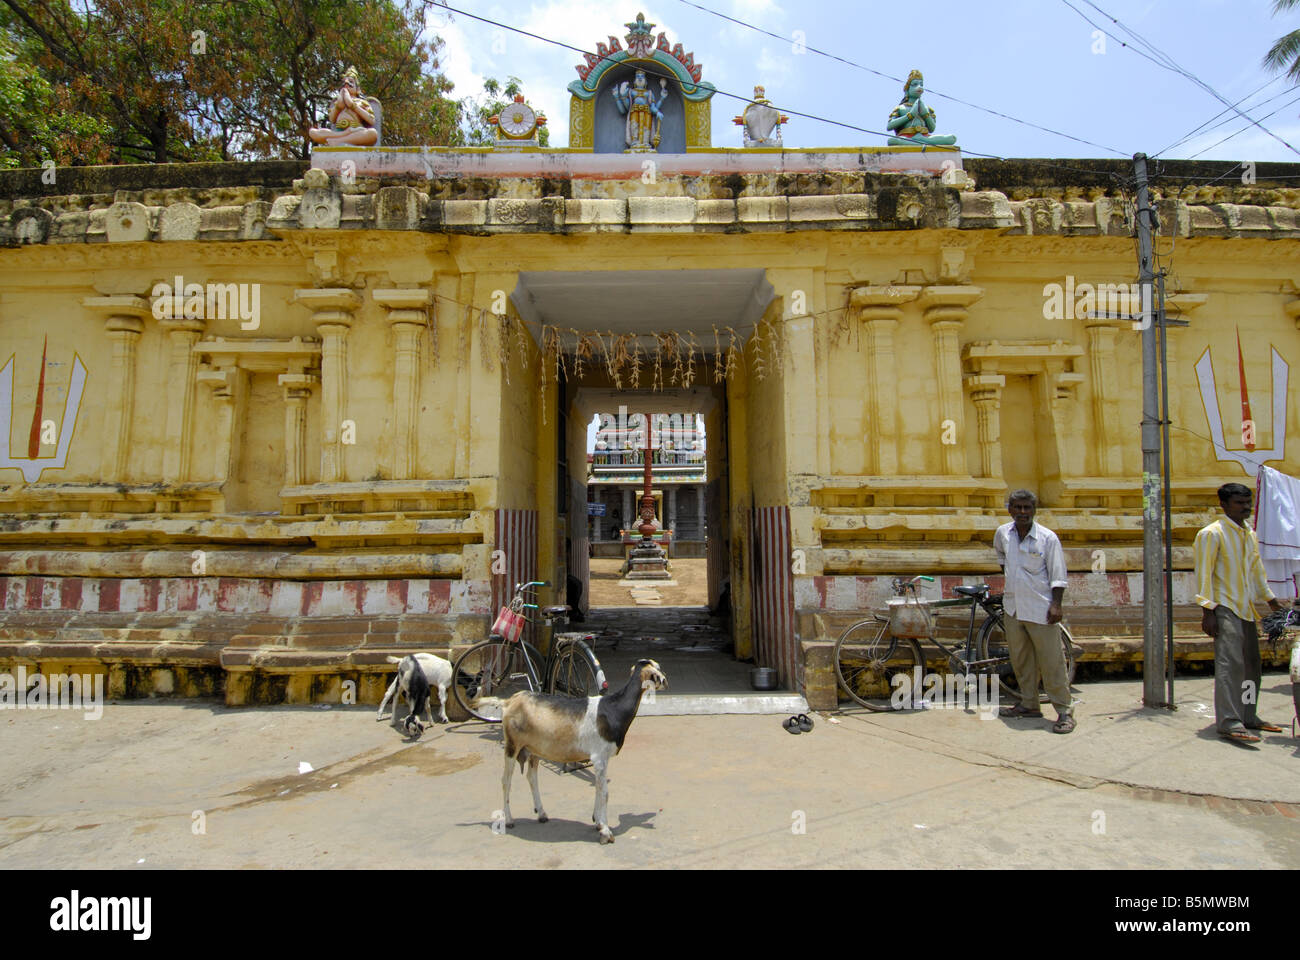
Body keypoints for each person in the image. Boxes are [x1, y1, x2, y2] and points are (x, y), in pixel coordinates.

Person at [1194, 482, 1285, 744]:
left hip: (1245, 607)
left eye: (1248, 503)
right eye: (1240, 503)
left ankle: (1248, 714)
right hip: (1224, 607)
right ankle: (1229, 721)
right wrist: (1207, 611)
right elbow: (1204, 574)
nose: (1246, 508)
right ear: (1224, 504)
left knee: (1250, 665)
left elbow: (1256, 571)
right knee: (1230, 665)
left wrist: (1272, 602)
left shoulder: (1249, 533)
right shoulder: (1211, 534)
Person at [994, 489, 1074, 733]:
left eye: (1027, 507)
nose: (1022, 512)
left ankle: (1064, 710)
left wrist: (1056, 604)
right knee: (1021, 660)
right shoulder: (1003, 534)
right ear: (1010, 509)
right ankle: (1029, 704)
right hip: (1014, 607)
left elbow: (1058, 575)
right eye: (1017, 507)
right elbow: (1001, 559)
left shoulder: (1047, 538)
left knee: (1052, 662)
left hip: (1041, 608)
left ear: (1034, 510)